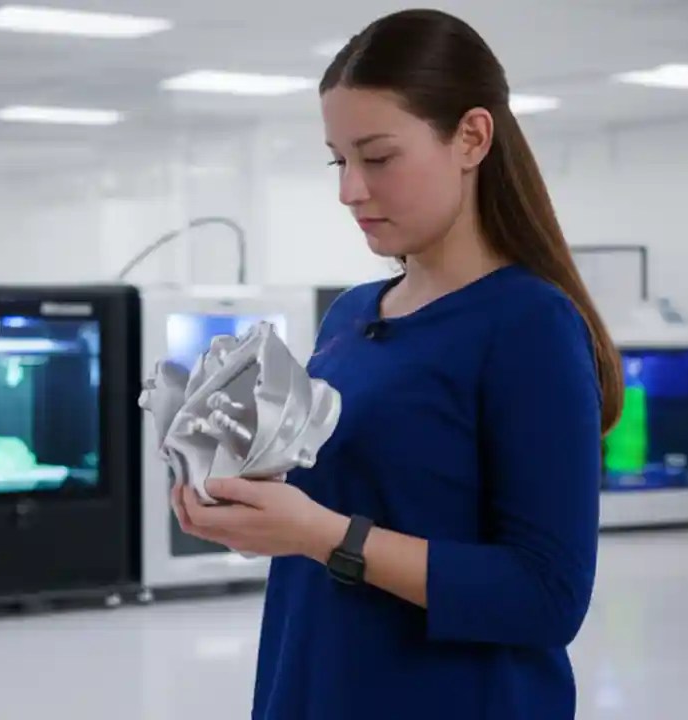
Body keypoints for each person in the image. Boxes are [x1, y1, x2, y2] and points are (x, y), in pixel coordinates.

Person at [170, 9, 624, 720]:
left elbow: (546, 597)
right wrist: (249, 505)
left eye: (377, 157)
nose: (350, 189)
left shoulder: (528, 324)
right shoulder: (354, 313)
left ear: (471, 138)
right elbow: (353, 513)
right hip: (317, 681)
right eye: (338, 160)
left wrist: (319, 534)